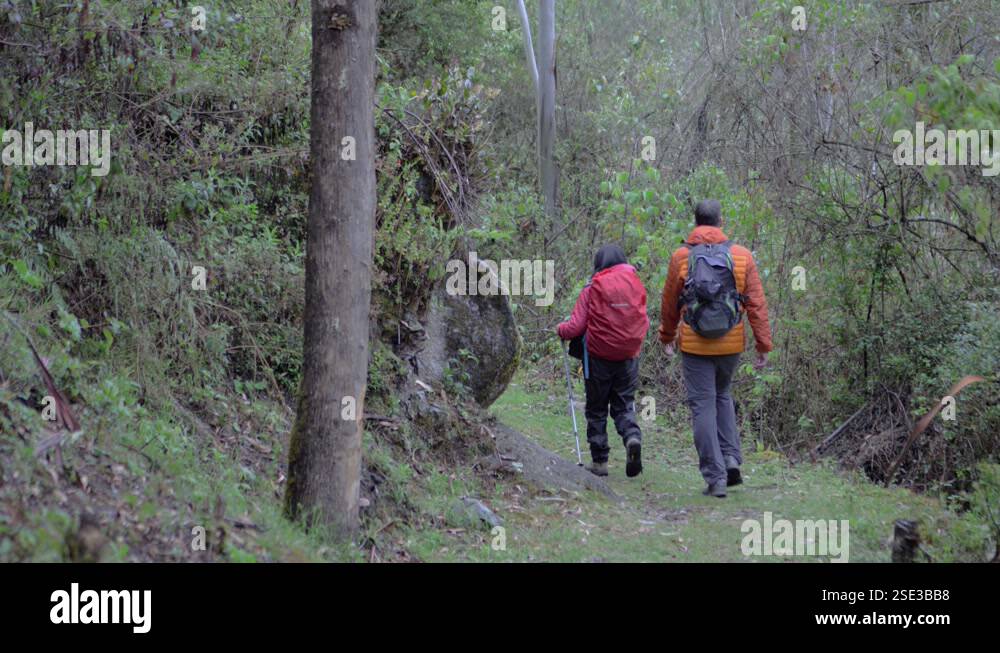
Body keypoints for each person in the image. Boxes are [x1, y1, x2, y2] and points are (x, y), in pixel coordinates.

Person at [659, 200, 772, 498]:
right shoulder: (742, 256)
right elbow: (757, 305)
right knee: (723, 395)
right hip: (731, 342)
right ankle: (732, 459)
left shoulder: (682, 257)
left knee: (703, 405)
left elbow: (670, 303)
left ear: (696, 223)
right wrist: (763, 345)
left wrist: (666, 336)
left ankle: (715, 476)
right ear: (720, 221)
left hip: (695, 345)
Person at [557, 244, 650, 478]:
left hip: (598, 358)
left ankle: (599, 462)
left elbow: (576, 326)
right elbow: (644, 320)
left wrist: (560, 329)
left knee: (597, 408)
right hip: (628, 356)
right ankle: (632, 437)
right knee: (624, 404)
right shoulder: (634, 284)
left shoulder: (592, 288)